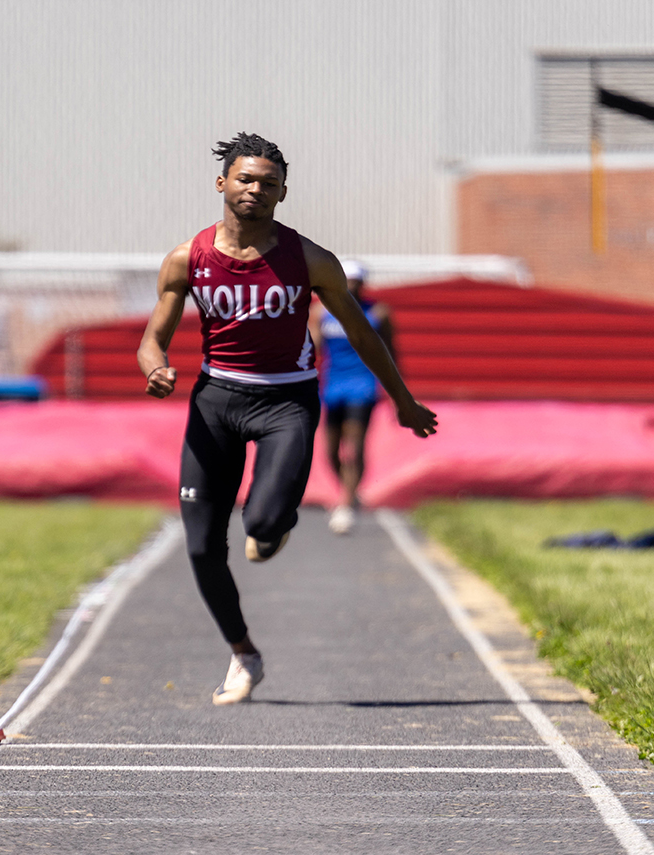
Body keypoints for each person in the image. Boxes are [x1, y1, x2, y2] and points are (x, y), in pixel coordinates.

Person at [138, 132, 438, 705]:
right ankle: (243, 653)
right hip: (215, 402)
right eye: (245, 179)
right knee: (202, 546)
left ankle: (273, 525)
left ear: (282, 194)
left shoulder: (309, 259)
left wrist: (401, 399)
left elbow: (361, 332)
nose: (255, 189)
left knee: (263, 522)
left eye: (268, 183)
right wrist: (155, 369)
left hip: (286, 403)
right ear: (222, 183)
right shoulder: (188, 258)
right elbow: (152, 340)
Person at [311, 259, 394, 535]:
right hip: (332, 385)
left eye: (357, 280)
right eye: (348, 279)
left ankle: (345, 505)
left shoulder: (378, 313)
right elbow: (310, 349)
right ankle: (351, 491)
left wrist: (398, 392)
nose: (352, 285)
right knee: (330, 451)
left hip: (364, 384)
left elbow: (391, 353)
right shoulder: (321, 311)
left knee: (355, 446)